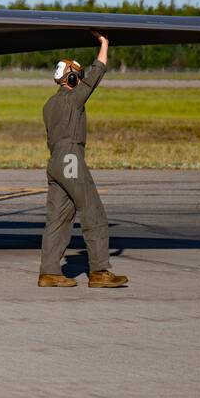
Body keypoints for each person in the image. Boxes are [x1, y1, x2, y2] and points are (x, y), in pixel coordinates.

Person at [38, 31, 129, 288]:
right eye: (77, 76)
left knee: (57, 218)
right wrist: (105, 43)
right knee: (93, 209)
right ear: (72, 77)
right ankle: (100, 271)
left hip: (55, 160)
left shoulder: (49, 105)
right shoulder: (73, 99)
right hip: (70, 158)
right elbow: (98, 71)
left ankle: (49, 272)